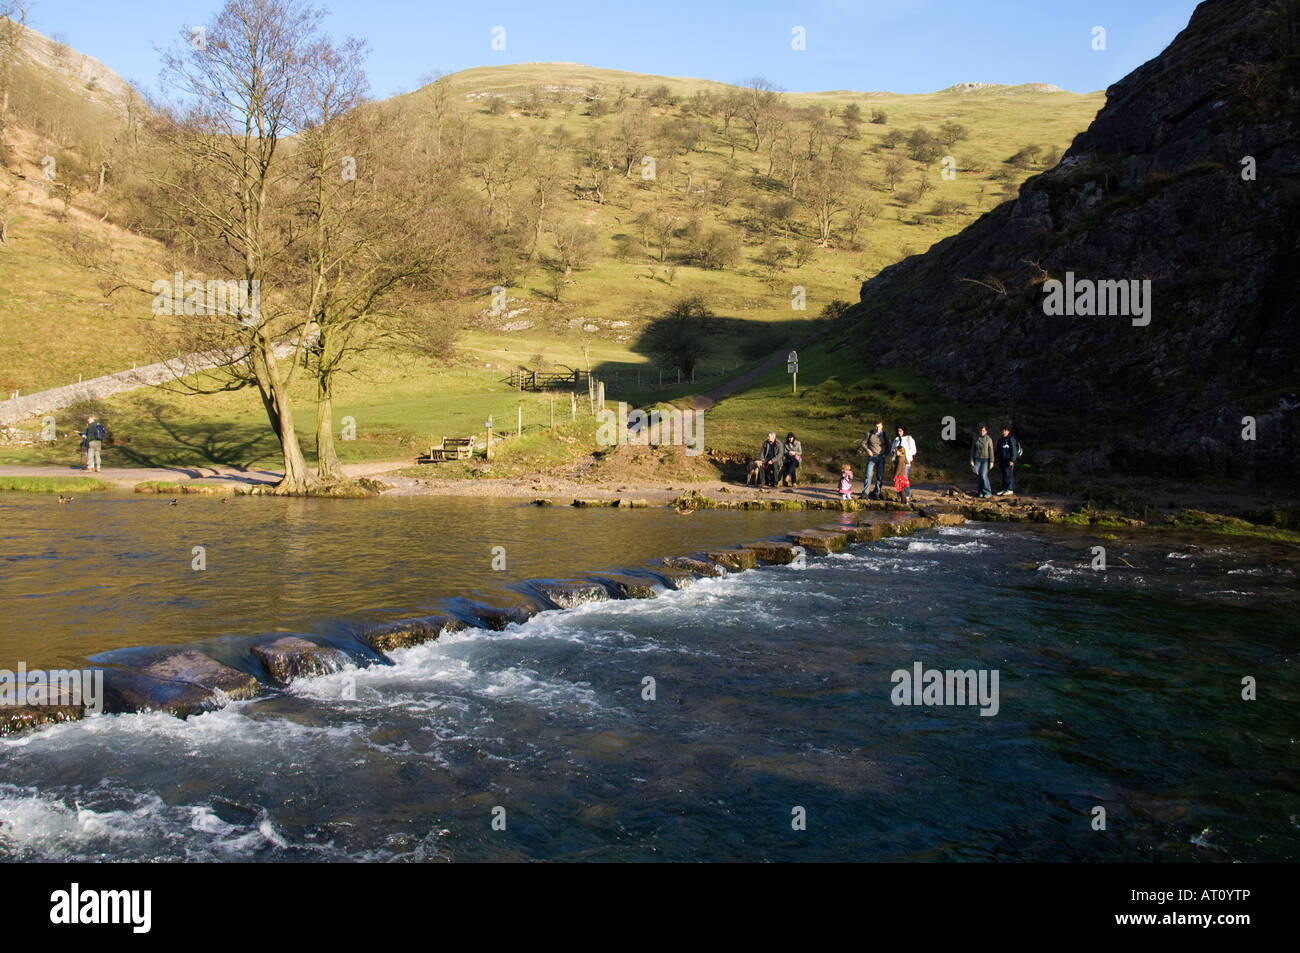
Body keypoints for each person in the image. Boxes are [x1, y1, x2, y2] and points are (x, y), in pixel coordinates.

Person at [858, 420, 888, 500]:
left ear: (882, 426)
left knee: (879, 476)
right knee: (868, 475)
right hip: (872, 457)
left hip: (881, 457)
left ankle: (877, 493)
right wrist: (867, 450)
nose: (877, 428)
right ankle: (865, 493)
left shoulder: (884, 435)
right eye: (876, 426)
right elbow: (863, 443)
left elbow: (889, 446)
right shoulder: (870, 433)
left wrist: (885, 454)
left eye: (879, 426)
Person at [890, 425, 917, 503]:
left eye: (901, 431)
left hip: (905, 462)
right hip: (897, 461)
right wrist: (894, 455)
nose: (899, 432)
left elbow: (914, 451)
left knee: (904, 479)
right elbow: (892, 449)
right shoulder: (896, 439)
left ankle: (907, 496)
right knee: (898, 480)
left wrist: (903, 453)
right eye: (898, 431)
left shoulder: (909, 439)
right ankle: (900, 496)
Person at [994, 425, 1020, 496]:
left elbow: (1014, 450)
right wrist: (996, 459)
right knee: (1004, 474)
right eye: (1003, 430)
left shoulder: (1011, 439)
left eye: (1005, 430)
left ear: (1008, 431)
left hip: (1009, 460)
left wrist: (1012, 460)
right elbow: (998, 450)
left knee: (1009, 474)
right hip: (1002, 460)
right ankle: (1004, 488)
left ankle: (1010, 489)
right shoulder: (1000, 440)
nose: (1004, 432)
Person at [970, 423, 994, 498]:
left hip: (985, 460)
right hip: (977, 459)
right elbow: (972, 450)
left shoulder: (988, 439)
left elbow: (991, 451)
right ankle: (980, 491)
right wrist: (971, 460)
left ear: (986, 431)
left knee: (983, 475)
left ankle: (987, 492)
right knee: (978, 475)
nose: (982, 432)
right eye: (981, 430)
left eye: (983, 431)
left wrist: (991, 461)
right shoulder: (976, 438)